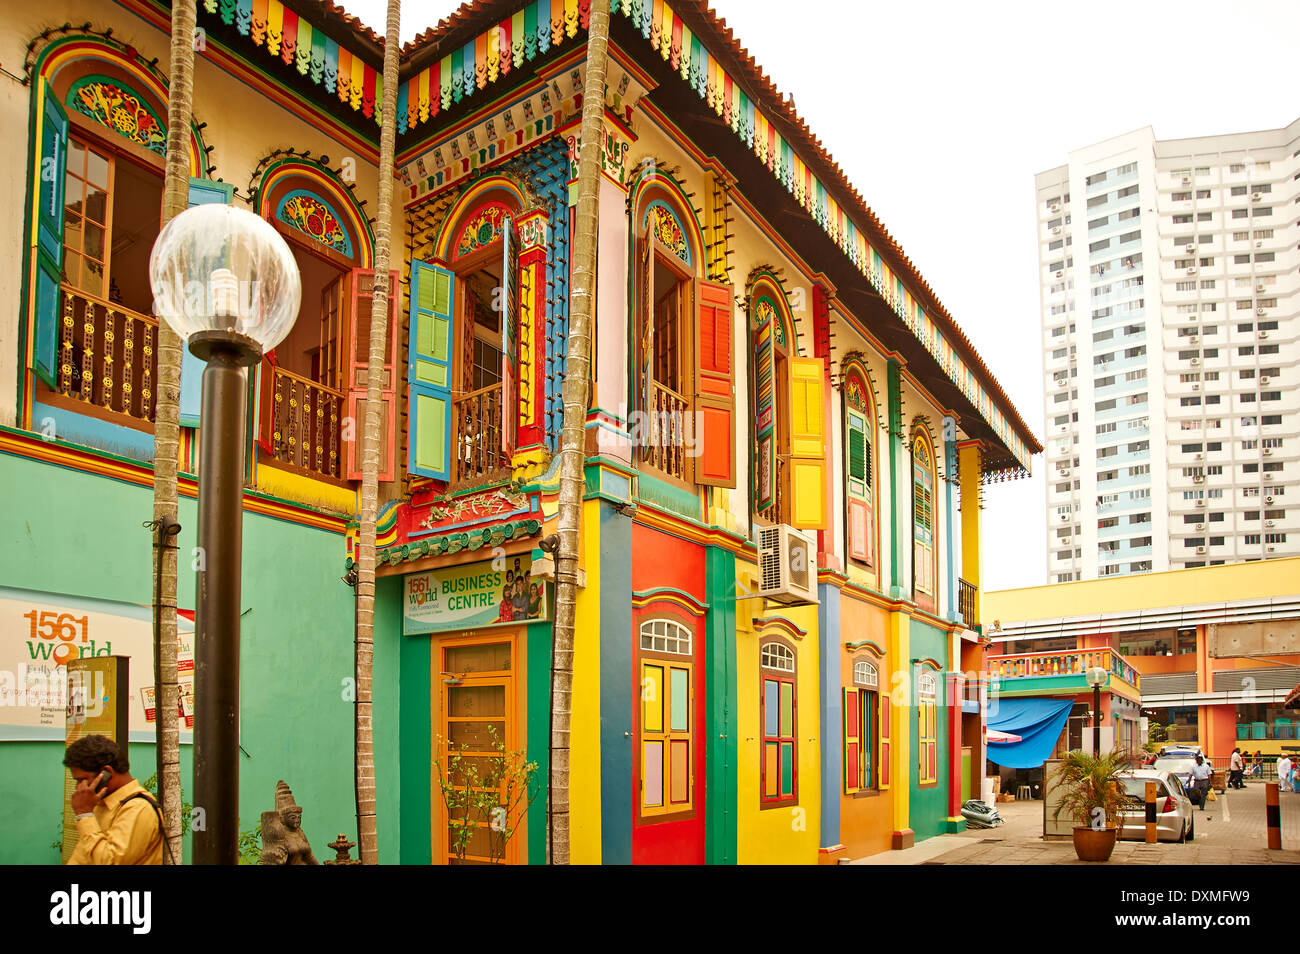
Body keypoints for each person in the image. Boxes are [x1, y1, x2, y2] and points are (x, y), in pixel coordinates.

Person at [63, 734, 163, 865]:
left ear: (106, 773)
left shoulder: (138, 808)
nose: (78, 787)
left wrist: (84, 814)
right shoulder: (101, 805)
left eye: (82, 779)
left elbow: (110, 861)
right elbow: (83, 857)